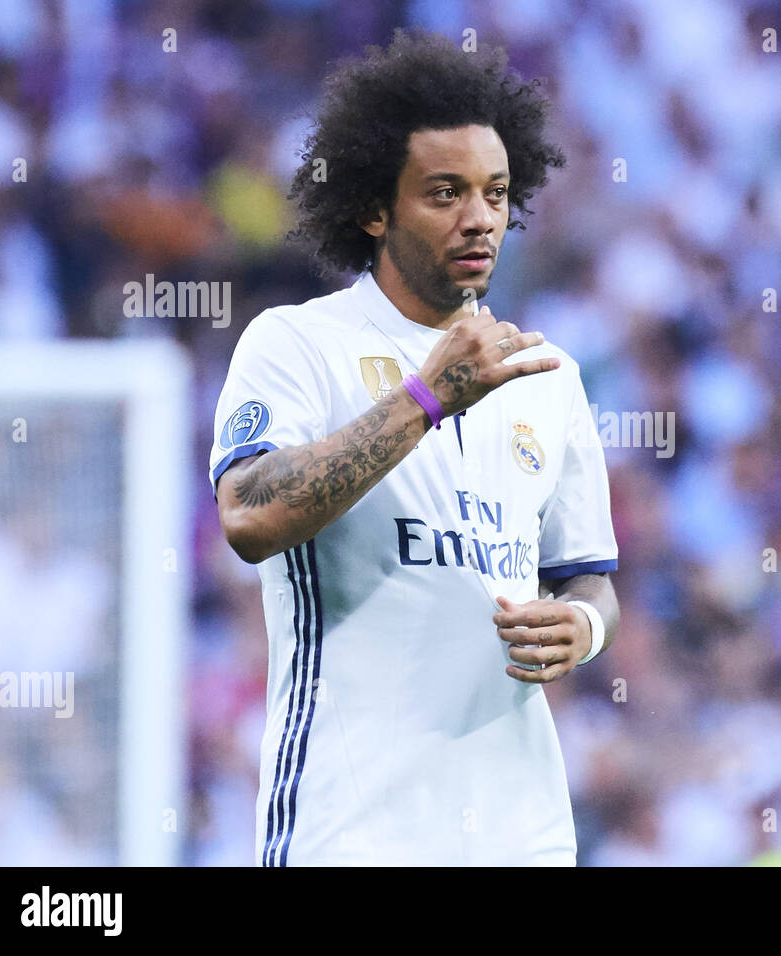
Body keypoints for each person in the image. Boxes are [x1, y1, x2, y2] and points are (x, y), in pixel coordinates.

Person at [208, 31, 619, 866]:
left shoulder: (551, 377)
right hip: (350, 829)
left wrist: (582, 627)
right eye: (445, 192)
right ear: (373, 207)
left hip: (521, 834)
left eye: (496, 194)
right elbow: (248, 514)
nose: (480, 218)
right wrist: (427, 399)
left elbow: (590, 578)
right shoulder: (295, 344)